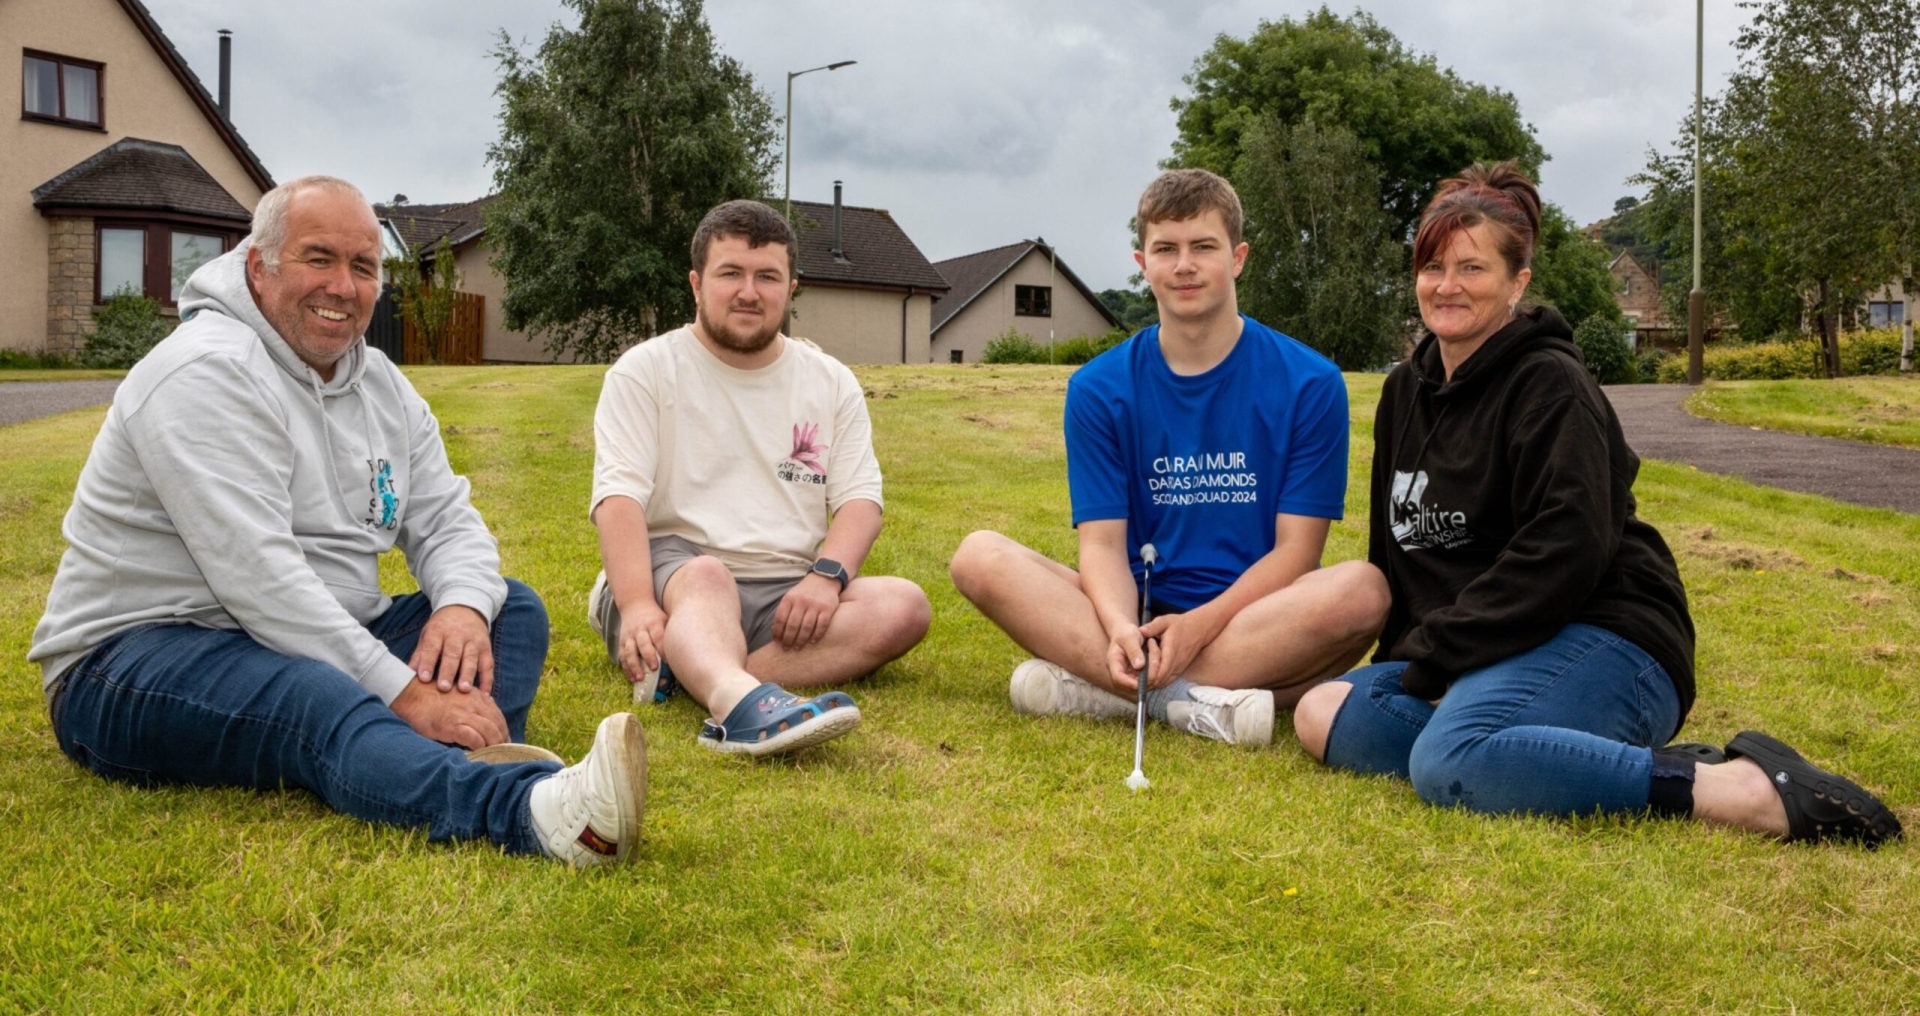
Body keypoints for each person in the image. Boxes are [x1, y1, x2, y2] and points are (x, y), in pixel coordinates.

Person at [30, 176, 647, 868]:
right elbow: (260, 580)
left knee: (511, 611)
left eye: (363, 267)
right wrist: (406, 691)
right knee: (316, 692)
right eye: (318, 259)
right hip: (135, 656)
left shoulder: (381, 382)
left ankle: (427, 755)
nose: (343, 287)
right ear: (259, 267)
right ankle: (536, 815)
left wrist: (463, 610)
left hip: (309, 633)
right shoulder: (200, 373)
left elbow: (447, 520)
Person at [1291, 161, 1901, 846]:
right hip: (1490, 650)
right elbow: (1400, 555)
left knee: (1445, 760)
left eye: (1472, 268)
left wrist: (1437, 661)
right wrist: (1414, 661)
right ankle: (1554, 757)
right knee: (1325, 713)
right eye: (1432, 267)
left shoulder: (1551, 385)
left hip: (1609, 636)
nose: (1446, 287)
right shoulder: (1405, 392)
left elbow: (1566, 554)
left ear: (1518, 282)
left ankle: (1741, 788)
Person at [949, 168, 1388, 747]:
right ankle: (1191, 699)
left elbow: (1297, 555)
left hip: (1251, 617)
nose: (1184, 265)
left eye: (1204, 246)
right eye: (1166, 249)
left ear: (1237, 258)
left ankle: (1112, 692)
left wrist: (1201, 626)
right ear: (1142, 263)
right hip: (1138, 608)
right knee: (979, 557)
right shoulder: (1097, 388)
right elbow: (1102, 545)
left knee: (1364, 590)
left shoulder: (1311, 382)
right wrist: (1120, 629)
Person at [588, 199, 930, 758]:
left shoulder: (829, 381)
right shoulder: (645, 370)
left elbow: (860, 500)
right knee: (707, 576)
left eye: (767, 276)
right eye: (731, 274)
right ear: (697, 284)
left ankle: (697, 670)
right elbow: (618, 498)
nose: (749, 291)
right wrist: (638, 607)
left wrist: (825, 577)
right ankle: (738, 706)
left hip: (786, 591)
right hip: (675, 578)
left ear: (791, 287)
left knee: (905, 607)